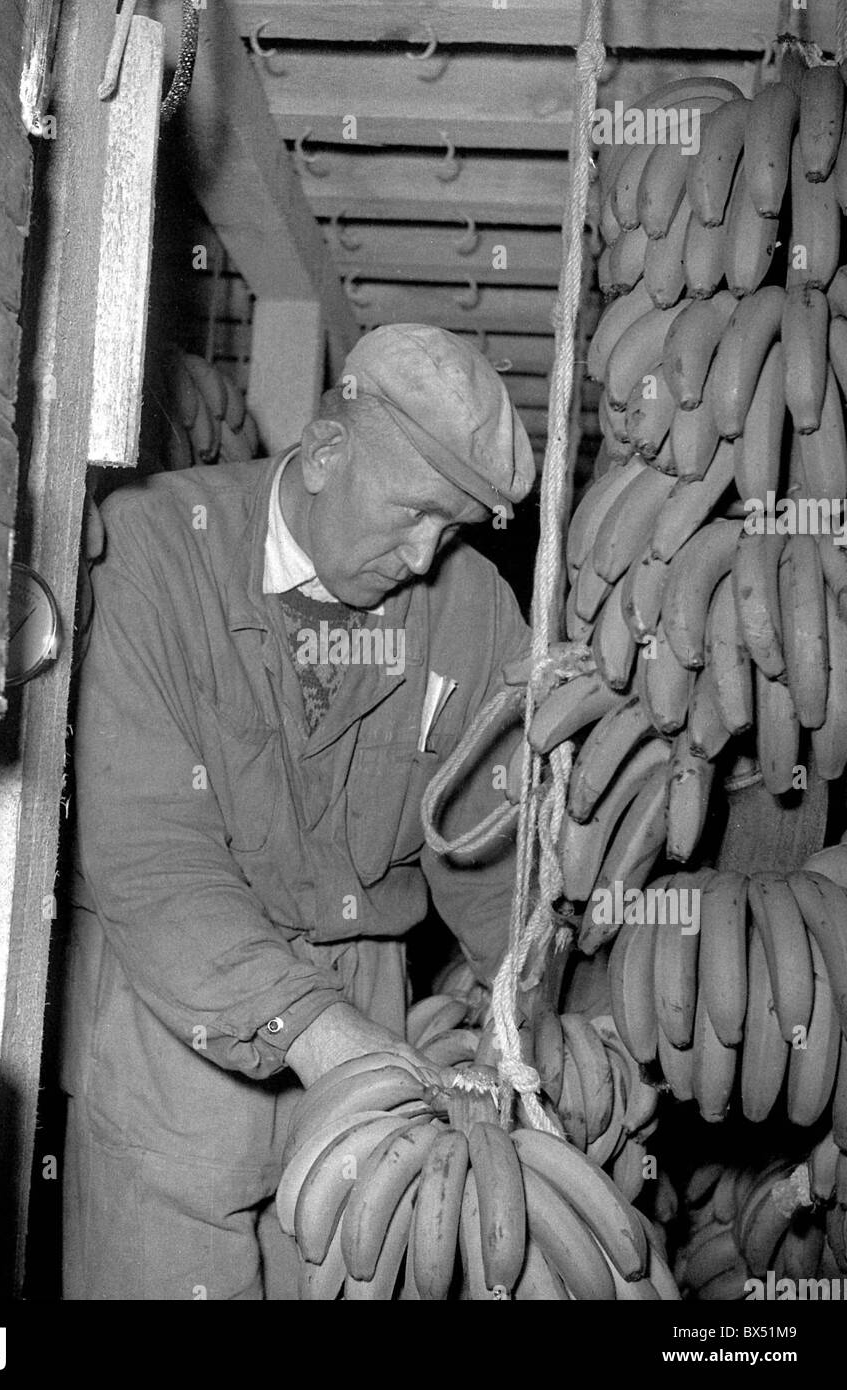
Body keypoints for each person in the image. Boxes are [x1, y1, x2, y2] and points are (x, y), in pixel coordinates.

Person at [59, 323, 537, 1299]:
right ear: (323, 454)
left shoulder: (470, 605)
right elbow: (151, 854)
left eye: (448, 528)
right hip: (176, 1011)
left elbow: (487, 851)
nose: (420, 555)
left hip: (366, 992)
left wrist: (520, 1011)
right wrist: (318, 1037)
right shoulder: (156, 548)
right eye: (411, 514)